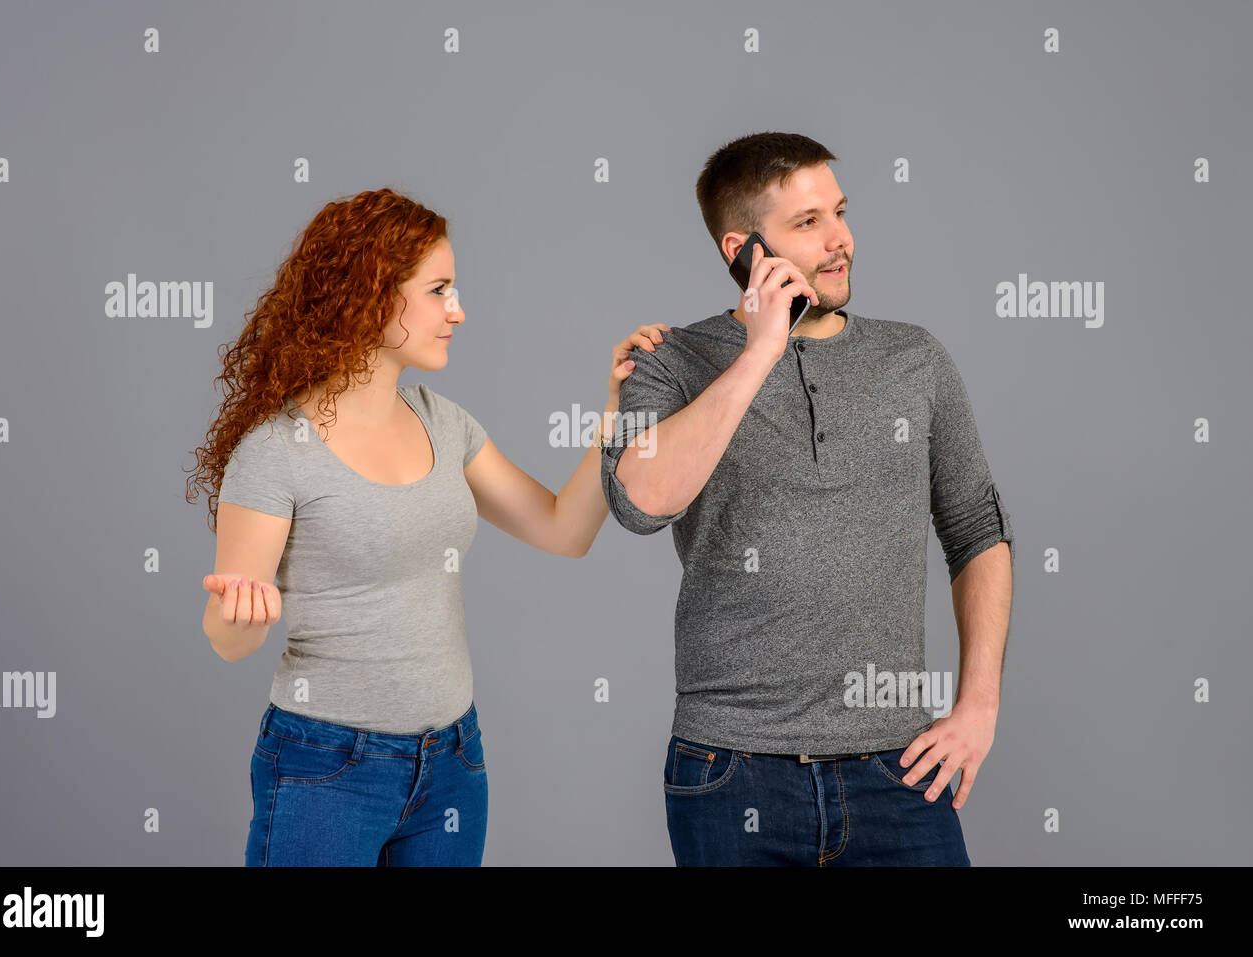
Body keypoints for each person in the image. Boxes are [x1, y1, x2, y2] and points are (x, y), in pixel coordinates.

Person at [185, 187, 670, 866]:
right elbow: (227, 639)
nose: (458, 311)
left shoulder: (444, 421)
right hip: (327, 768)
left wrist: (616, 409)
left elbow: (565, 529)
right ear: (372, 295)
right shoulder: (275, 452)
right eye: (439, 290)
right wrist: (244, 614)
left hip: (451, 764)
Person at [600, 131, 1016, 866]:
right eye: (807, 223)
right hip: (730, 770)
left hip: (898, 765)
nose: (840, 240)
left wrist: (979, 705)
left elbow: (976, 527)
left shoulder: (914, 358)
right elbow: (640, 501)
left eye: (840, 212)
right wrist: (763, 347)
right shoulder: (670, 362)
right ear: (742, 250)